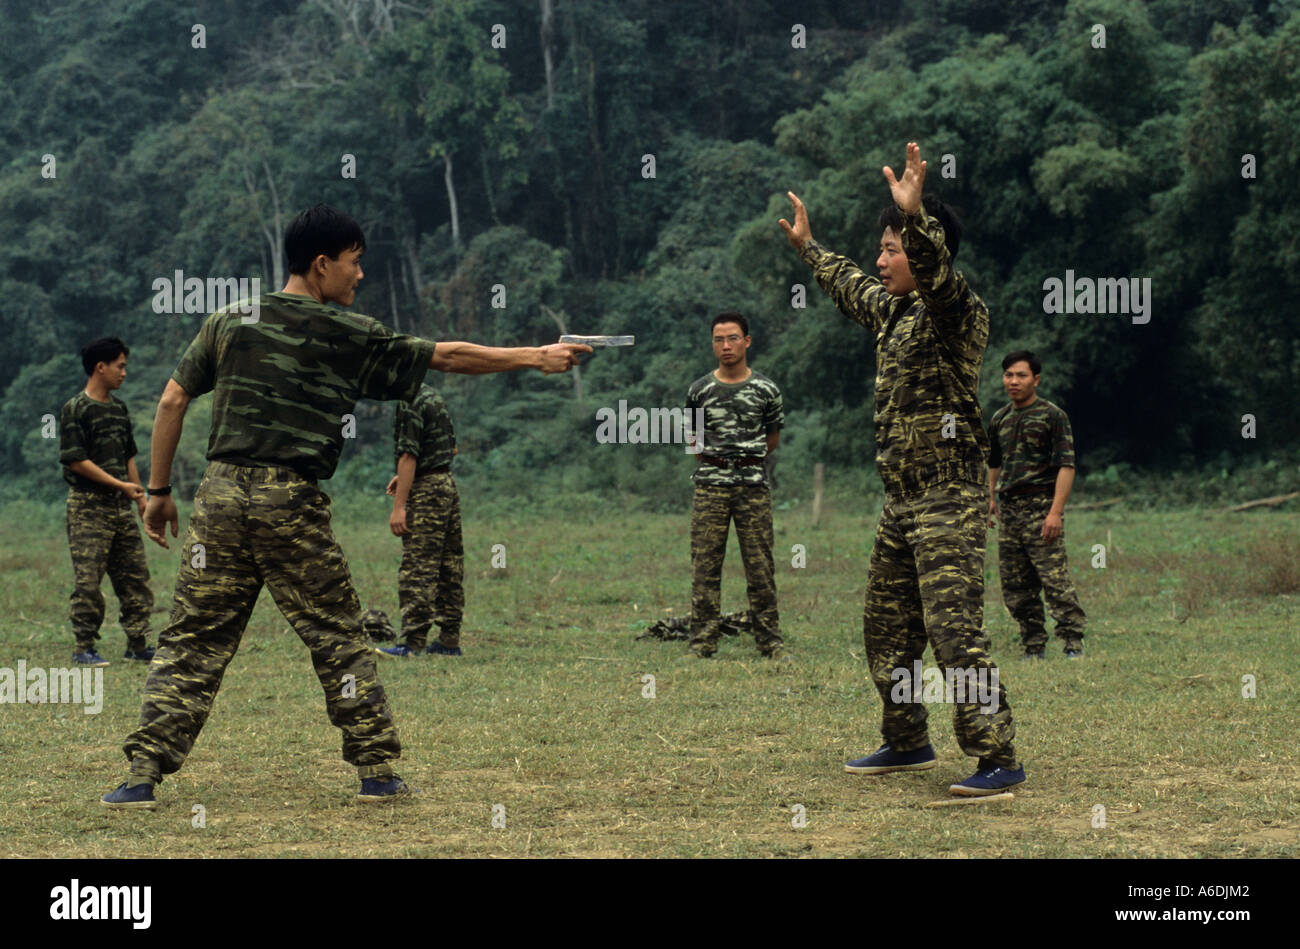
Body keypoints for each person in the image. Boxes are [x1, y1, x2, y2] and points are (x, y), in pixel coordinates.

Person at [101, 204, 586, 809]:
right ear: (322, 263)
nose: (360, 276)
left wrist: (160, 491)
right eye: (355, 264)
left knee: (192, 639)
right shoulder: (347, 334)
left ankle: (141, 777)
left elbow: (172, 401)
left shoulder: (230, 319)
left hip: (219, 498)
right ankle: (377, 773)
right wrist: (536, 357)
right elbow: (448, 357)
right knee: (336, 636)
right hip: (290, 499)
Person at [780, 142, 1023, 796]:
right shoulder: (892, 311)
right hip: (902, 501)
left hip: (950, 498)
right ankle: (907, 739)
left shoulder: (958, 316)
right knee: (886, 629)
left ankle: (997, 754)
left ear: (923, 249)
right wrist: (809, 248)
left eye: (892, 248)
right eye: (884, 247)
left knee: (953, 631)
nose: (881, 260)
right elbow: (849, 283)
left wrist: (916, 221)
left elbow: (940, 279)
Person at [685, 311, 784, 659]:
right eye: (718, 339)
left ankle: (771, 642)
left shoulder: (766, 390)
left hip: (752, 486)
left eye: (732, 338)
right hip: (710, 486)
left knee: (760, 566)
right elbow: (693, 442)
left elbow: (771, 439)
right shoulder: (699, 391)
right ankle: (702, 643)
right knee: (705, 566)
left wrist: (743, 462)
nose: (725, 346)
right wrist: (719, 464)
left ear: (747, 341)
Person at [59, 337, 156, 667]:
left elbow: (129, 456)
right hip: (88, 507)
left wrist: (139, 496)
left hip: (121, 506)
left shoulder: (119, 409)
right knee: (88, 581)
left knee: (135, 577)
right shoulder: (76, 409)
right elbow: (76, 461)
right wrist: (121, 486)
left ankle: (138, 643)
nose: (124, 373)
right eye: (120, 366)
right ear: (100, 367)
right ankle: (83, 647)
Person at [988, 350, 1086, 658]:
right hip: (1010, 512)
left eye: (1021, 375)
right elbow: (993, 462)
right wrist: (990, 497)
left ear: (1036, 379)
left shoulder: (1052, 416)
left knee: (1054, 580)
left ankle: (1073, 644)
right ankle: (1033, 646)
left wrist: (1055, 513)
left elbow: (1066, 466)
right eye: (1009, 375)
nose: (1014, 381)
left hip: (1041, 508)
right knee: (1016, 586)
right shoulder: (999, 419)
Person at [379, 383, 465, 657]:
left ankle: (412, 643)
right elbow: (450, 450)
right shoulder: (432, 395)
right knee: (449, 565)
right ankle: (449, 640)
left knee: (418, 567)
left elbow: (408, 455)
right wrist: (407, 476)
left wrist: (399, 507)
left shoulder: (410, 400)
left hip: (427, 491)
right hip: (446, 483)